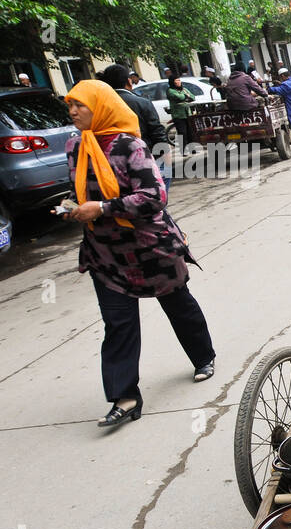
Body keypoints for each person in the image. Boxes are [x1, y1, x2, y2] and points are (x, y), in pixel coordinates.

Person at [57, 80, 216, 430]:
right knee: (117, 323)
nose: (72, 112)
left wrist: (103, 207)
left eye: (79, 105)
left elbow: (155, 196)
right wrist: (71, 208)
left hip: (149, 247)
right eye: (69, 105)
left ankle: (204, 357)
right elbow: (79, 190)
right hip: (105, 253)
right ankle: (124, 397)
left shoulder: (130, 145)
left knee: (178, 304)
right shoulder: (75, 146)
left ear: (100, 107)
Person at [97, 65, 170, 186]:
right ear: (129, 81)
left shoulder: (99, 106)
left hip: (112, 165)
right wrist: (166, 161)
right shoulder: (141, 102)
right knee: (155, 198)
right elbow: (157, 133)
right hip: (147, 159)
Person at [165, 74, 197, 158]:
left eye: (179, 80)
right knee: (182, 133)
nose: (179, 82)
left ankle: (192, 149)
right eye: (176, 80)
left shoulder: (184, 89)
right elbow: (179, 97)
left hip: (188, 113)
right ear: (173, 82)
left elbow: (193, 97)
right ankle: (183, 150)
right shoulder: (170, 91)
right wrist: (186, 97)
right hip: (178, 115)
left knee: (190, 132)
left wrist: (186, 97)